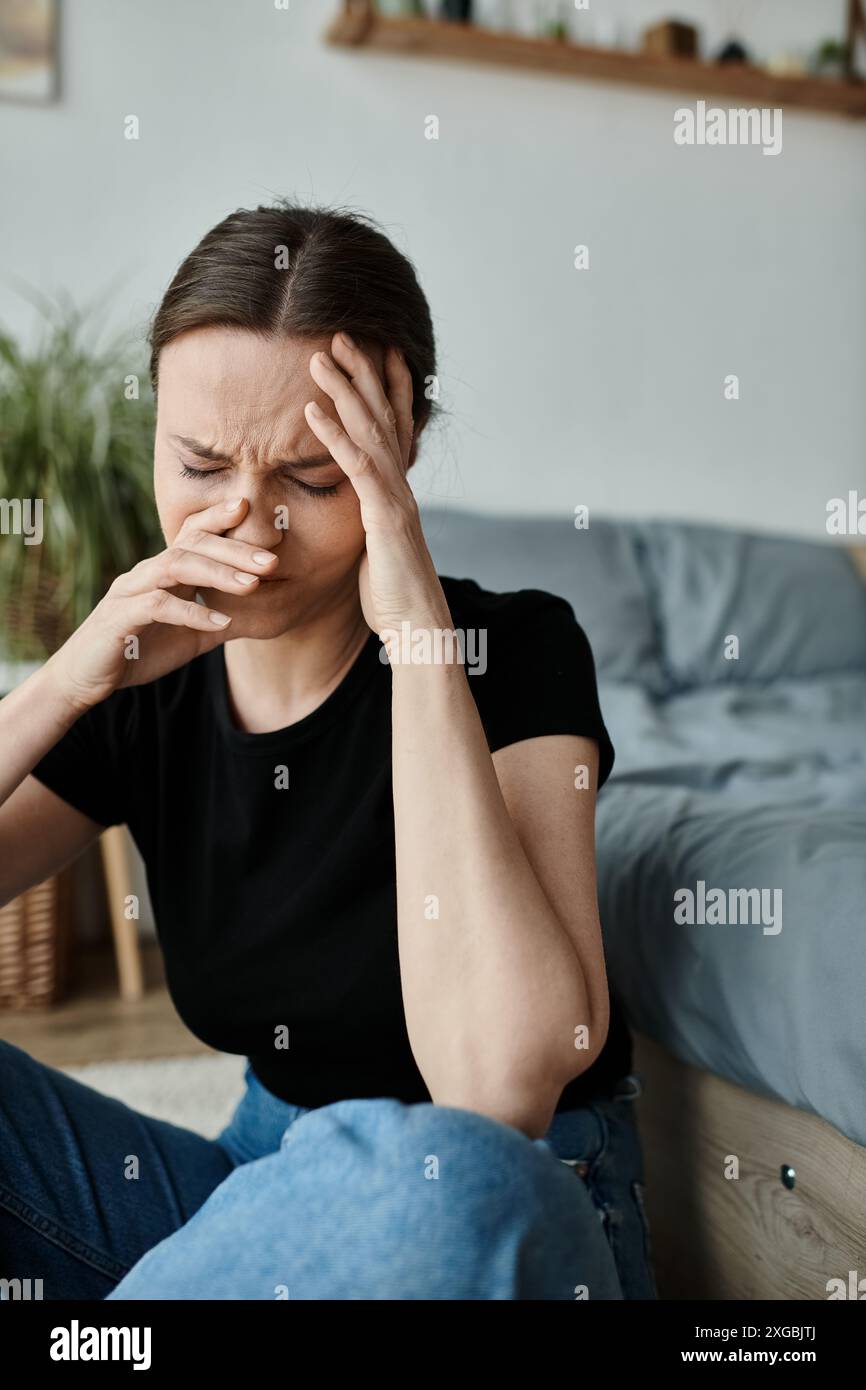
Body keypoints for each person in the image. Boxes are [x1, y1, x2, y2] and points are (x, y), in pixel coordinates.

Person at [0, 200, 658, 1300]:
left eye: (311, 481)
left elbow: (496, 1091)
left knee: (440, 1183)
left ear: (395, 455)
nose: (245, 529)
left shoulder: (518, 648)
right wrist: (68, 677)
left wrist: (418, 641)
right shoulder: (148, 680)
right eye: (200, 465)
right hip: (255, 1192)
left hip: (475, 1209)